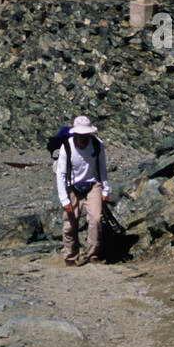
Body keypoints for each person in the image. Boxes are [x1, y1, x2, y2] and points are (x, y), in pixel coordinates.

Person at [55, 114, 110, 265]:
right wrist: (64, 199)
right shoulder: (66, 147)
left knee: (96, 219)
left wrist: (105, 190)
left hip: (93, 185)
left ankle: (92, 254)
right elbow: (60, 174)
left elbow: (102, 168)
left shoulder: (98, 145)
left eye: (86, 134)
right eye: (80, 135)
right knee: (70, 225)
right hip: (72, 187)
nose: (83, 138)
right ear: (75, 134)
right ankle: (71, 256)